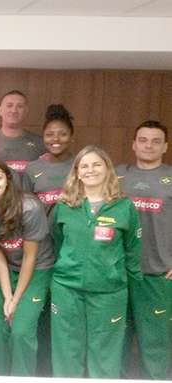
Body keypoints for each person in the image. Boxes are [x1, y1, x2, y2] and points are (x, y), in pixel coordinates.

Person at [50, 145, 141, 378]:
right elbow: (56, 243)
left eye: (97, 164)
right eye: (85, 166)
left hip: (109, 292)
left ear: (108, 169)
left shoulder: (124, 207)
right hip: (67, 290)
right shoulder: (64, 206)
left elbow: (132, 251)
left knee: (105, 356)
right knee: (67, 354)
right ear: (77, 172)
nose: (91, 170)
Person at [0, 159, 54, 376]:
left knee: (20, 330)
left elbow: (30, 257)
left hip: (37, 268)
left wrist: (16, 300)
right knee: (0, 327)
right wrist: (7, 295)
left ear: (8, 180)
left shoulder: (29, 206)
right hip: (7, 267)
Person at [116, 120, 171, 380]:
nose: (149, 145)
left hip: (157, 273)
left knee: (155, 342)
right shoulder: (117, 176)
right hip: (118, 273)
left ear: (165, 147)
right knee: (116, 340)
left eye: (156, 141)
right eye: (143, 140)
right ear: (134, 145)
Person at [25, 104, 75, 212]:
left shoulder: (82, 166)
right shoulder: (32, 168)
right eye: (49, 134)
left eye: (63, 134)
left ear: (71, 137)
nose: (56, 139)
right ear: (43, 137)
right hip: (43, 229)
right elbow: (27, 210)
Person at [0, 90, 45, 172]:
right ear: (0, 110)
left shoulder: (40, 143)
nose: (14, 110)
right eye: (9, 105)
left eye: (20, 106)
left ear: (26, 111)